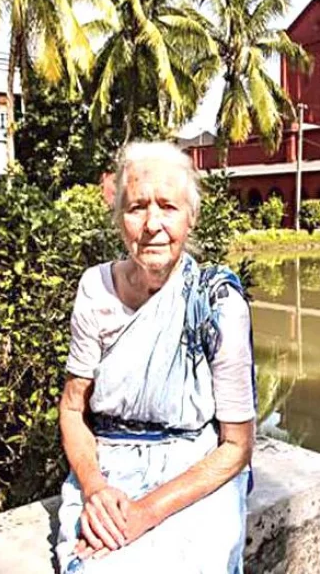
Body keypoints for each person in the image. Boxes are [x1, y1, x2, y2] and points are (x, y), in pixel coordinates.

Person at [55, 142, 256, 573]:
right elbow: (73, 408)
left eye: (167, 206)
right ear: (118, 219)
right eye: (136, 207)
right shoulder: (96, 290)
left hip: (197, 474)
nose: (152, 224)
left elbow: (237, 447)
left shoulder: (217, 304)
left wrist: (146, 512)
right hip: (110, 471)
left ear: (191, 217)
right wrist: (94, 488)